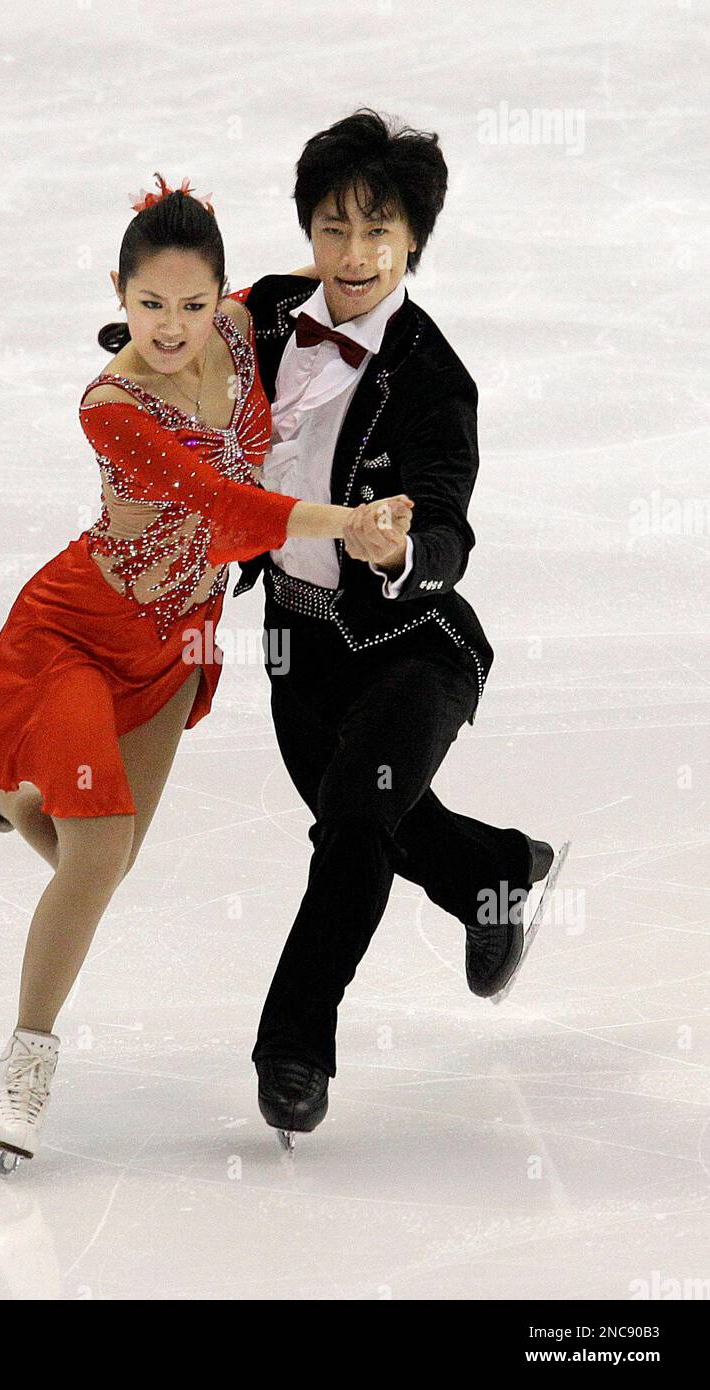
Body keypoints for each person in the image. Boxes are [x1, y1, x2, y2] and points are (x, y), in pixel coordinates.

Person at [0, 172, 413, 1173]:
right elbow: (221, 504)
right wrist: (348, 525)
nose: (173, 326)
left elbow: (324, 275)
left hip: (180, 643)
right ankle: (26, 1062)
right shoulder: (111, 405)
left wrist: (369, 250)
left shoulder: (249, 330)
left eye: (193, 304)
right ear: (117, 295)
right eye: (150, 305)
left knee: (106, 860)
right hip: (82, 629)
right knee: (96, 850)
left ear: (223, 298)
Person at [231, 111, 569, 1149]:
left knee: (354, 825)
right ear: (309, 233)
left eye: (378, 232)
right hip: (297, 647)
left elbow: (451, 523)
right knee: (373, 821)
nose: (355, 255)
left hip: (412, 645)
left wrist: (399, 550)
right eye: (335, 229)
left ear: (413, 239)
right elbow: (207, 331)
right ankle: (493, 872)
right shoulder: (276, 310)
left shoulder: (432, 376)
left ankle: (293, 1048)